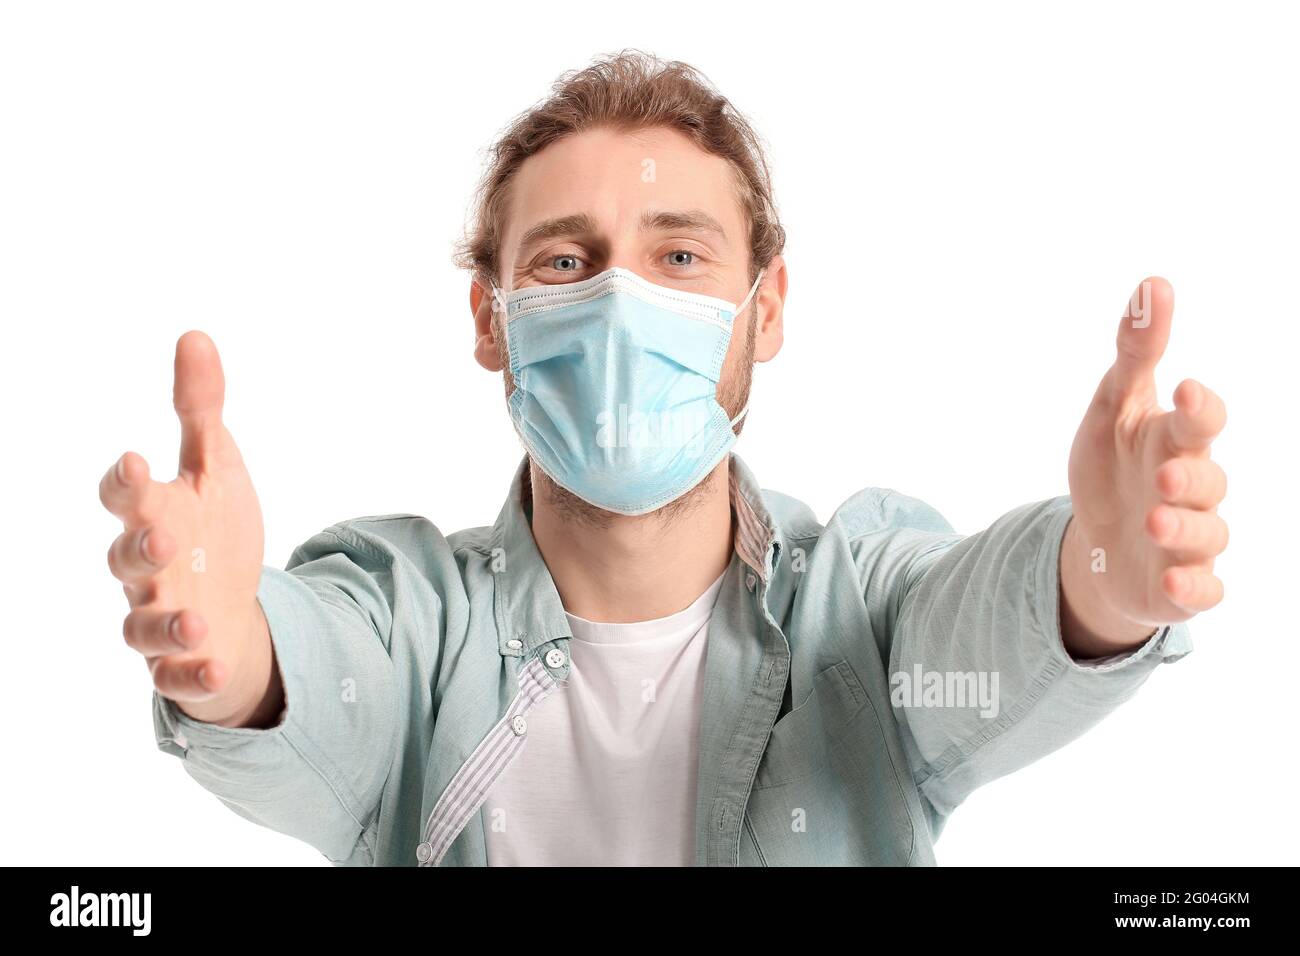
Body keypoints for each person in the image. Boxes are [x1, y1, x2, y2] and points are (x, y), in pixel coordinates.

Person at [99, 51, 1229, 866]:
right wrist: (230, 642)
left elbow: (990, 620)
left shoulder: (858, 613)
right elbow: (312, 680)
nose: (619, 306)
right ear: (490, 319)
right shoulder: (412, 619)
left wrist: (1102, 576)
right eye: (563, 262)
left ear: (764, 308)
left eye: (678, 254)